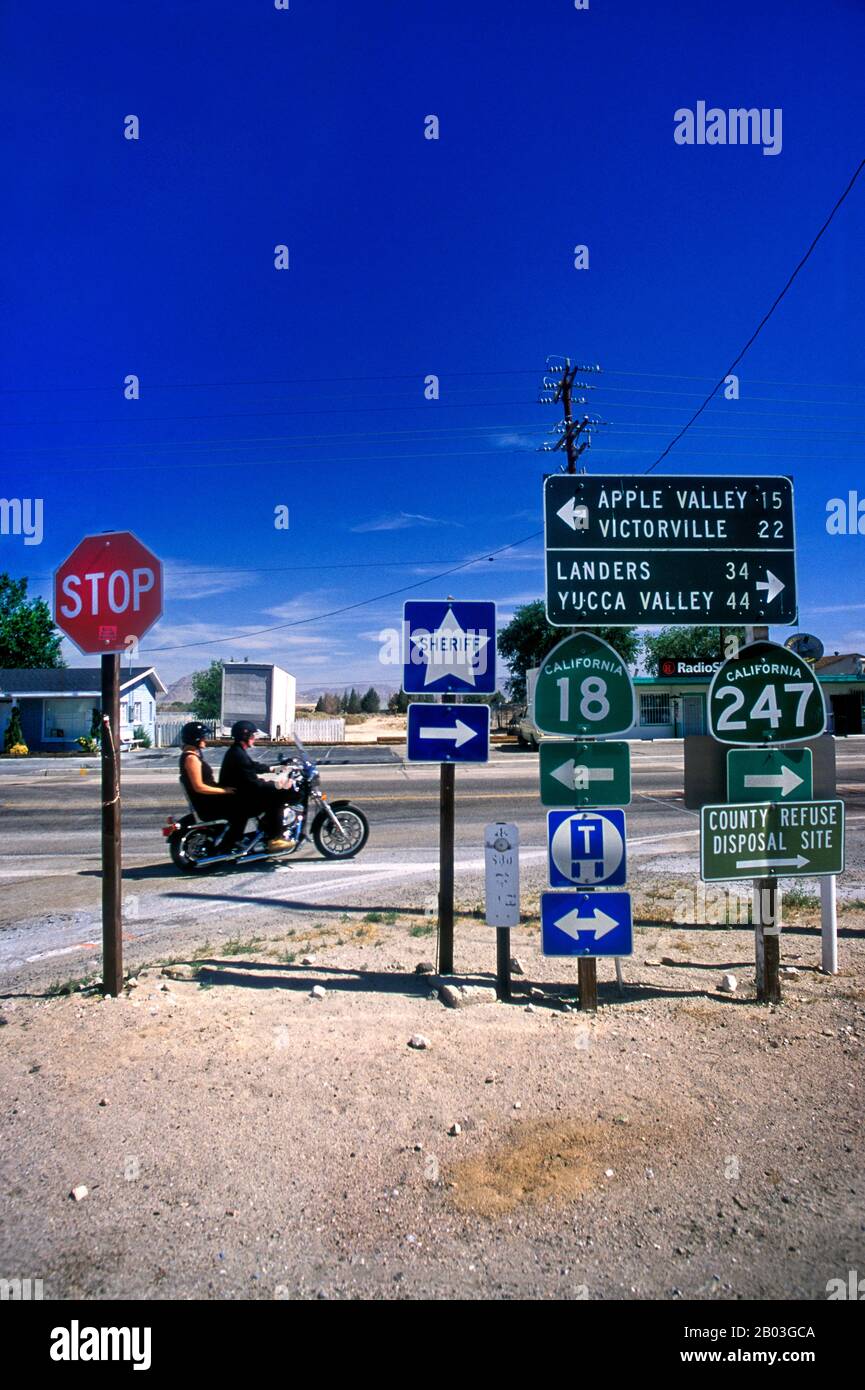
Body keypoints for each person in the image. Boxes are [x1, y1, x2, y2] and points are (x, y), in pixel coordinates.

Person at [218, 720, 294, 852]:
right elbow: (253, 783)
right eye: (252, 735)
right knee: (277, 798)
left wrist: (274, 769)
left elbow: (252, 766)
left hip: (238, 795)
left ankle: (266, 829)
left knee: (272, 793)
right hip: (238, 799)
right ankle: (275, 838)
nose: (254, 738)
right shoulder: (238, 755)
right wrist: (276, 785)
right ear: (245, 737)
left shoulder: (237, 751)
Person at [178, 723, 236, 822]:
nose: (205, 740)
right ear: (195, 739)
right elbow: (199, 787)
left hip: (210, 799)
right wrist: (224, 791)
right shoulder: (191, 759)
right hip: (209, 804)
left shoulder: (191, 755)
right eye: (203, 737)